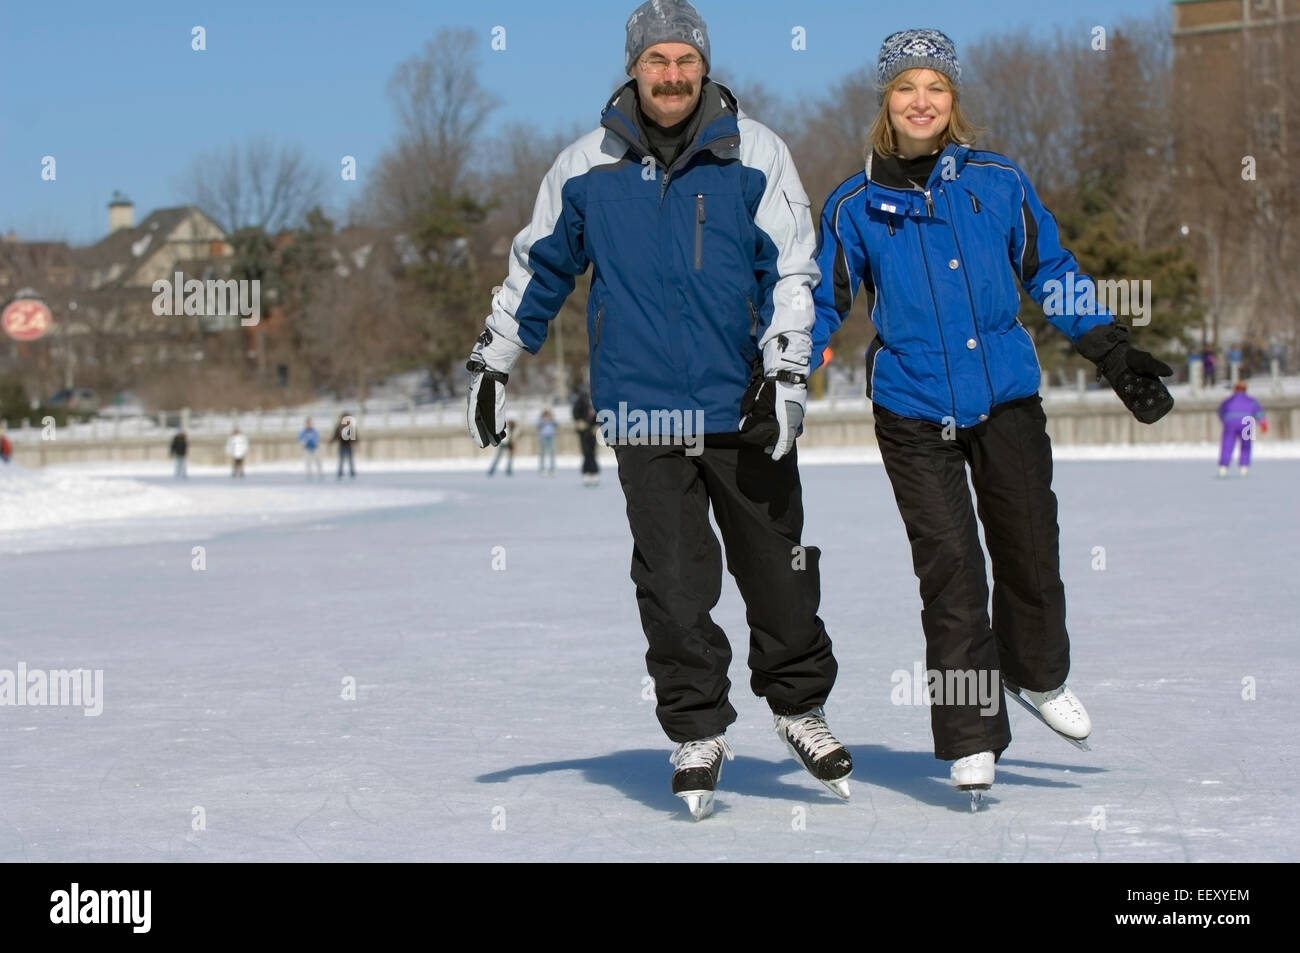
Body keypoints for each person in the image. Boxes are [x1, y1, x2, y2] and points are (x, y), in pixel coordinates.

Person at [464, 0, 851, 819]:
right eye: (656, 61)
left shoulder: (756, 153)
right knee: (673, 585)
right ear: (633, 69)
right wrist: (497, 359)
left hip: (742, 400)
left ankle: (798, 706)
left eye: (684, 60)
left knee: (777, 573)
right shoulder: (585, 168)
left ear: (703, 67)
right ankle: (697, 727)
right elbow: (538, 267)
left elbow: (792, 268)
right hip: (644, 411)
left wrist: (786, 371)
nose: (671, 76)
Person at [808, 29, 1175, 800]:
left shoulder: (998, 182)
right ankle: (970, 731)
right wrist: (782, 377)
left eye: (934, 88)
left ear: (953, 99)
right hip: (910, 410)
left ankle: (1038, 677)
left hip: (1005, 397)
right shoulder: (853, 206)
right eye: (906, 87)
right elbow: (819, 306)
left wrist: (1111, 350)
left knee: (1030, 548)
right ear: (886, 100)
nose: (921, 101)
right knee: (951, 571)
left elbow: (1049, 269)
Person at [1217, 381, 1267, 477]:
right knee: (1246, 445)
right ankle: (1244, 467)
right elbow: (1258, 412)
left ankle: (1223, 467)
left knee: (1227, 444)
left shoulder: (1228, 400)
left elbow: (1221, 412)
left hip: (1230, 422)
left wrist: (1225, 420)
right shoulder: (1251, 400)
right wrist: (1263, 423)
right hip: (1247, 422)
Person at [571, 390, 600, 486]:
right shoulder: (581, 398)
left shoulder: (597, 398)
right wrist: (578, 421)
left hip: (593, 430)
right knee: (586, 451)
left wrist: (597, 425)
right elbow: (575, 411)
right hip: (584, 430)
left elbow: (600, 412)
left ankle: (594, 472)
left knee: (592, 452)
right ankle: (587, 472)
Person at [332, 411, 358, 479]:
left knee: (350, 460)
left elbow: (354, 436)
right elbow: (335, 435)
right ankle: (340, 472)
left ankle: (352, 472)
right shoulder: (339, 427)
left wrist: (355, 443)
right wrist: (331, 441)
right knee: (341, 460)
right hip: (342, 446)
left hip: (349, 446)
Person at [537, 408, 557, 476]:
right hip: (543, 437)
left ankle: (552, 469)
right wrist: (544, 421)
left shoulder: (552, 419)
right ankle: (542, 468)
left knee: (552, 453)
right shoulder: (541, 419)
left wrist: (551, 420)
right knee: (542, 453)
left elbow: (557, 424)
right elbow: (537, 425)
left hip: (551, 437)